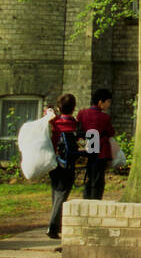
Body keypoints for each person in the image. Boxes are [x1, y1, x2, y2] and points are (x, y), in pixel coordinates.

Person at [47, 93, 80, 240]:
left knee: (56, 192)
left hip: (54, 161)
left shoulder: (54, 122)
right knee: (62, 194)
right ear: (73, 108)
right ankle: (52, 227)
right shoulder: (74, 123)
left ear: (59, 107)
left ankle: (56, 223)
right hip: (68, 164)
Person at [76, 88, 115, 200]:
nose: (108, 105)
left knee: (90, 177)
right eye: (107, 102)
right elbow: (111, 132)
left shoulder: (82, 113)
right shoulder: (105, 117)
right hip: (101, 151)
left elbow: (79, 129)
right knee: (98, 180)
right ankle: (95, 201)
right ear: (100, 102)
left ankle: (86, 199)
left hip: (88, 149)